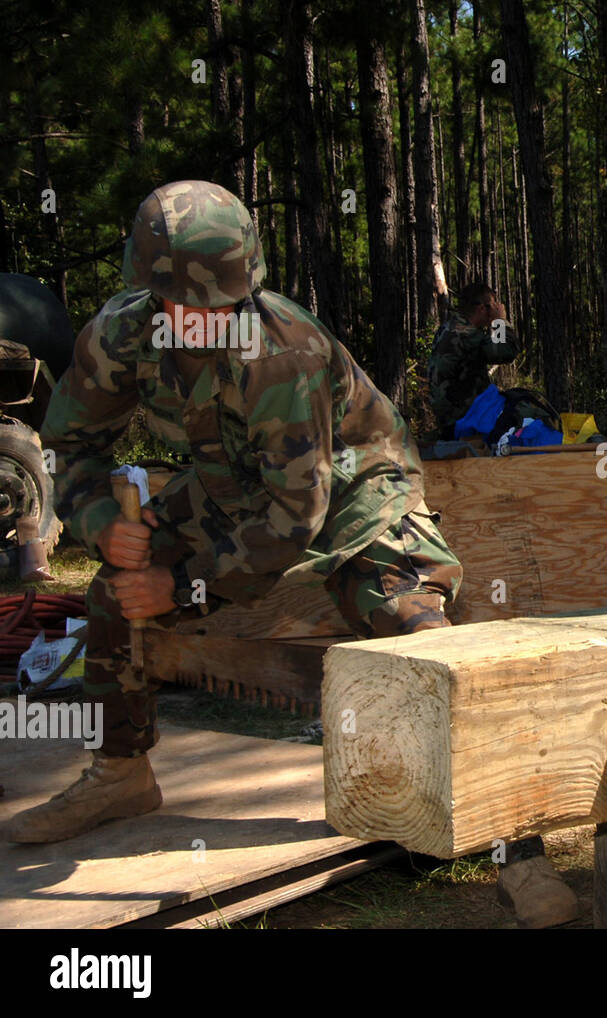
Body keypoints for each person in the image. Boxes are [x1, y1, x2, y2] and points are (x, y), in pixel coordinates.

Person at [8, 180, 576, 928]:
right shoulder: (116, 335)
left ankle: (514, 845)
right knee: (115, 592)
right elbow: (69, 447)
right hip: (233, 486)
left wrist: (178, 585)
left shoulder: (282, 354)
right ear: (146, 292)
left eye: (219, 306)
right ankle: (120, 772)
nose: (201, 323)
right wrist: (97, 527)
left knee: (426, 635)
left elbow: (292, 519)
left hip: (356, 489)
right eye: (179, 307)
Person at [425, 282, 520, 440]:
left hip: (451, 416)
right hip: (464, 418)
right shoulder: (465, 334)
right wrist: (500, 321)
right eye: (492, 306)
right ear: (482, 309)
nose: (495, 310)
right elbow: (504, 351)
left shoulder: (450, 328)